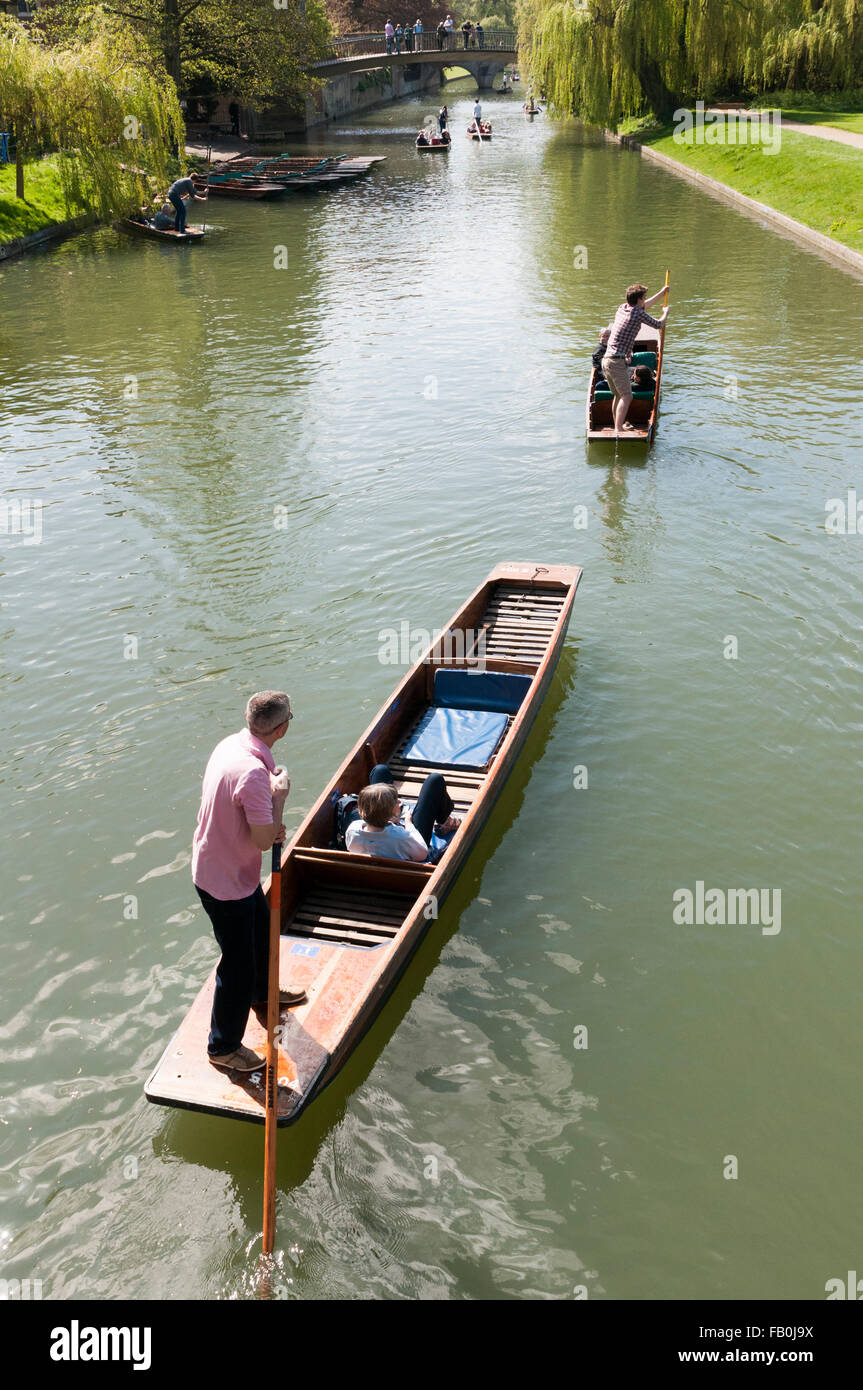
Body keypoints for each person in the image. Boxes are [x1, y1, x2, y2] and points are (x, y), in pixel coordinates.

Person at [192, 692, 307, 1073]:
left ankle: (263, 994)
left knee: (261, 933)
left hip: (222, 868)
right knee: (237, 965)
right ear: (283, 727)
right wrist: (280, 797)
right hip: (225, 883)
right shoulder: (256, 775)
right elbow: (264, 839)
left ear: (247, 716)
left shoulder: (231, 744)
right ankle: (222, 1047)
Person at [345, 767, 460, 863]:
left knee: (380, 770)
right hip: (408, 848)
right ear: (388, 815)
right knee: (435, 780)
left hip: (384, 830)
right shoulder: (402, 837)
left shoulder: (353, 829)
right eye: (396, 801)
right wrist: (409, 824)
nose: (400, 802)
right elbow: (422, 855)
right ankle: (445, 822)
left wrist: (388, 821)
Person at [602, 282, 669, 434]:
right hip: (617, 361)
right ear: (639, 299)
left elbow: (645, 305)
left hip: (607, 360)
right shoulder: (637, 313)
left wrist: (662, 292)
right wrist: (666, 312)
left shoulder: (623, 308)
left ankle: (617, 426)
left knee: (618, 395)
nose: (645, 300)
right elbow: (658, 324)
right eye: (644, 297)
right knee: (627, 396)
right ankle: (618, 429)